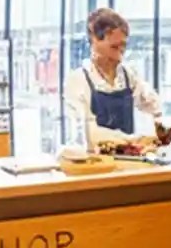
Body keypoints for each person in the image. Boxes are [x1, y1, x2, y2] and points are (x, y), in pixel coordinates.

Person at [65, 8, 162, 149]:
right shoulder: (78, 81)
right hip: (95, 165)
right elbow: (88, 134)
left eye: (123, 47)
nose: (119, 55)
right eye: (114, 48)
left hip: (128, 163)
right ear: (94, 41)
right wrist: (130, 140)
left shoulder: (129, 76)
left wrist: (161, 128)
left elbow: (154, 106)